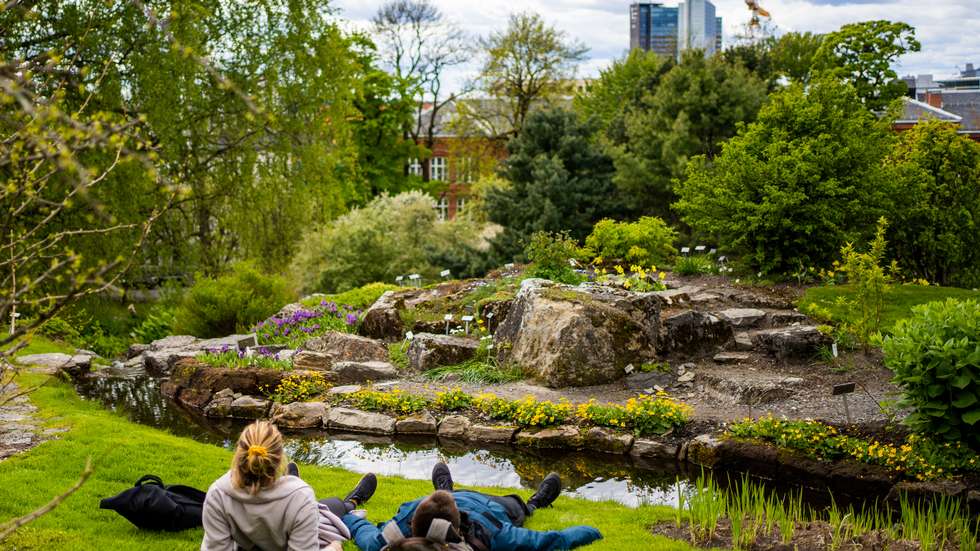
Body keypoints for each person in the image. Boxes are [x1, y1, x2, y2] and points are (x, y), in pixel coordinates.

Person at [201, 420, 378, 551]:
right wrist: (332, 549)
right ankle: (352, 502)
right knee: (333, 506)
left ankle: (293, 481)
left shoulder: (217, 493)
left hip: (294, 503)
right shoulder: (301, 497)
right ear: (278, 459)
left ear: (239, 454)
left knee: (315, 505)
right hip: (297, 504)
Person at [343, 462, 602, 551]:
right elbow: (552, 540)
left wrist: (348, 514)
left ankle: (444, 489)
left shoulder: (392, 537)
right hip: (493, 507)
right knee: (522, 509)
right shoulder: (497, 537)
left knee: (520, 507)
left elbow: (363, 533)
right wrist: (593, 531)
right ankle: (535, 502)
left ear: (413, 523)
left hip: (485, 507)